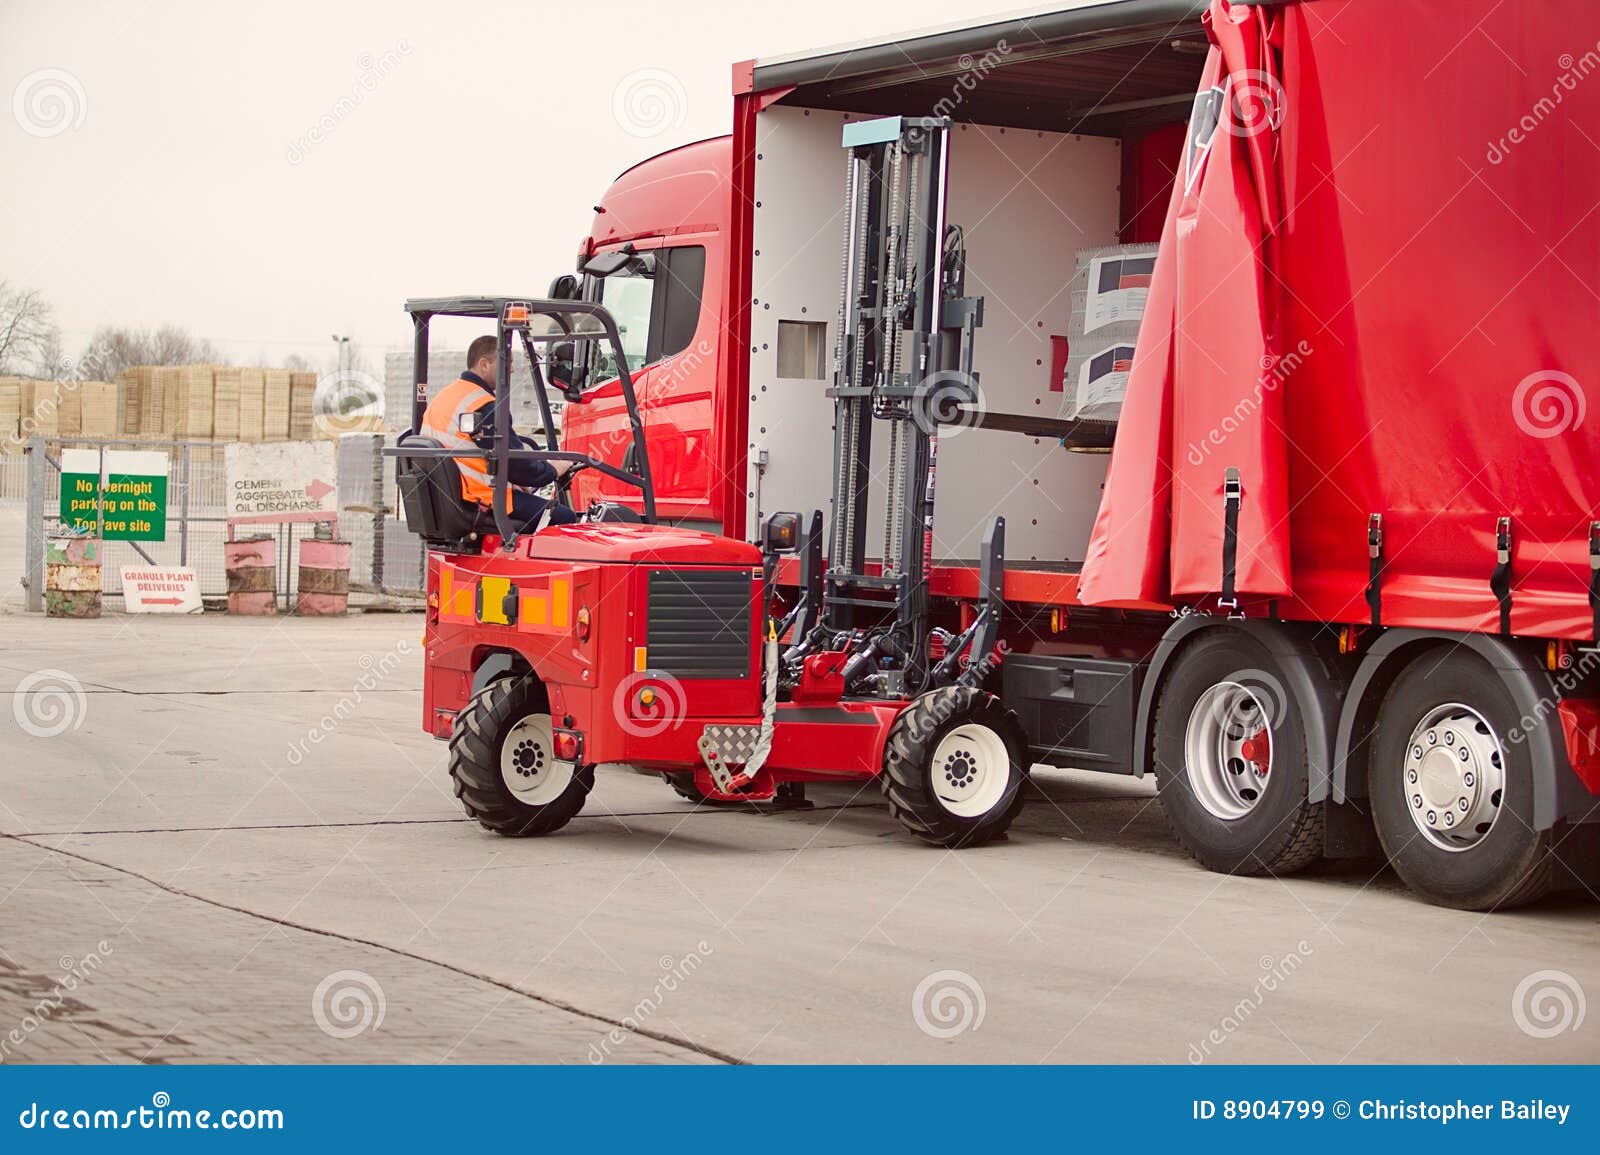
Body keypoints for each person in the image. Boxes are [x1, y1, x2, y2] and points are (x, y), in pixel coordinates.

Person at [420, 335, 579, 531]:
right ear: (484, 364)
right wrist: (552, 469)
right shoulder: (483, 404)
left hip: (453, 496)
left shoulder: (448, 396)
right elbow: (517, 465)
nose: (511, 369)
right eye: (506, 363)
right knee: (565, 518)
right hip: (480, 496)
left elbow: (486, 454)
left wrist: (514, 479)